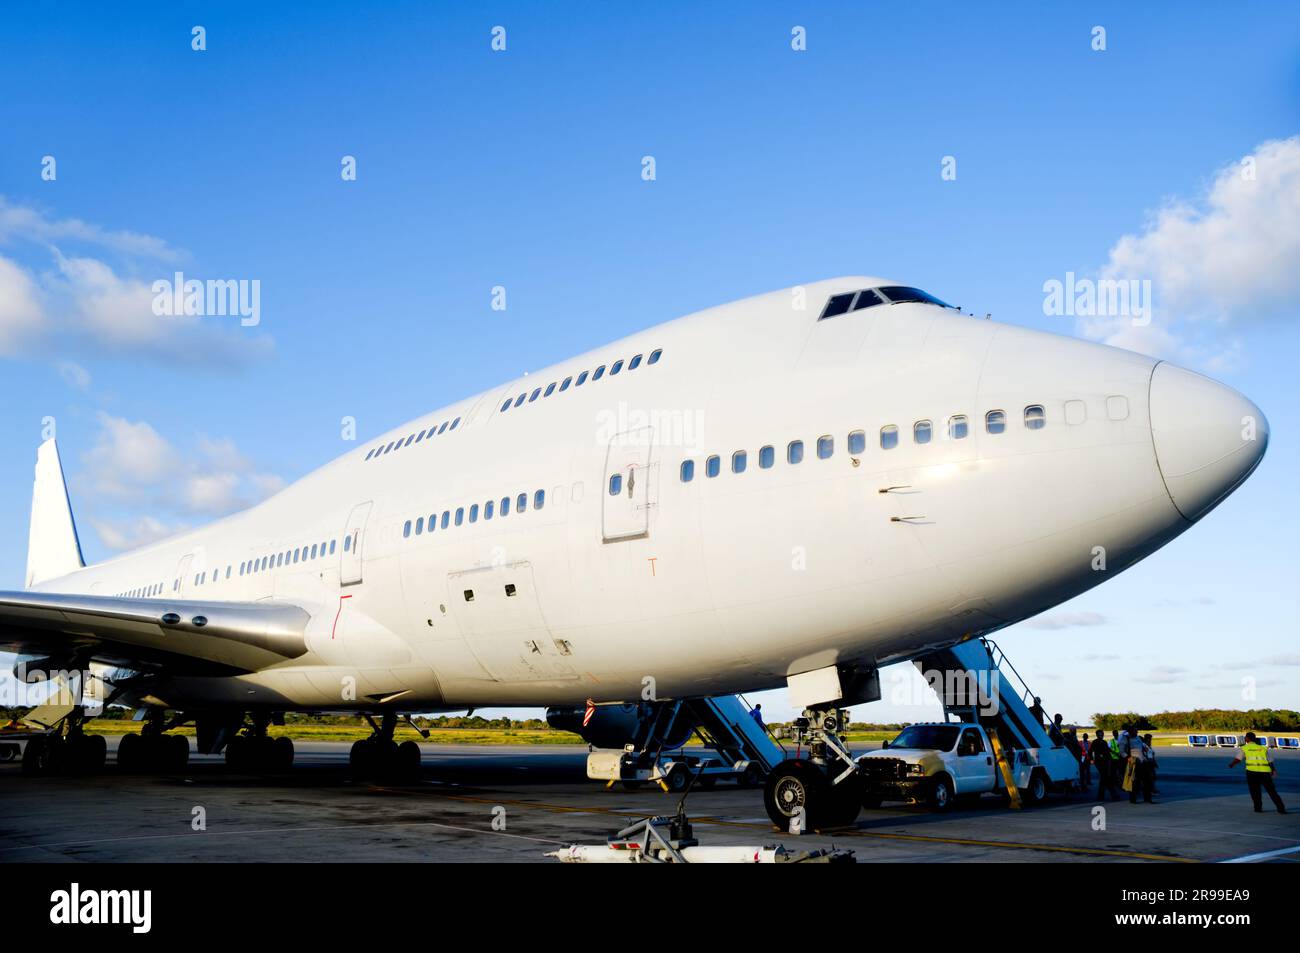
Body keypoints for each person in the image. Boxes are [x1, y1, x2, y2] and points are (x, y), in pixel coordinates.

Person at [1228, 732, 1287, 814]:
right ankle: (1281, 809)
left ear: (1247, 738)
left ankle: (1258, 808)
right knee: (1272, 791)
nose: (1245, 738)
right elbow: (1269, 761)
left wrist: (1232, 764)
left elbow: (1238, 759)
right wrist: (1273, 770)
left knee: (1255, 791)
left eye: (1246, 737)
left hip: (1252, 772)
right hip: (1265, 772)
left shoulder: (1244, 748)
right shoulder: (1262, 748)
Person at [1121, 727, 1153, 804]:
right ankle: (1133, 799)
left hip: (1142, 760)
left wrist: (1145, 750)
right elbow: (1122, 751)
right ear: (1130, 732)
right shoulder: (1125, 739)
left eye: (1137, 731)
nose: (1137, 733)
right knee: (1133, 781)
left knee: (1147, 780)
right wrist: (1127, 757)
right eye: (1135, 731)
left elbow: (1143, 746)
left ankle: (1147, 798)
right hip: (1133, 761)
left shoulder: (1138, 738)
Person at [1092, 728, 1120, 801]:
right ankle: (1114, 795)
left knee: (1104, 779)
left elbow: (1108, 750)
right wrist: (1092, 759)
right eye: (1100, 734)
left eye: (1102, 734)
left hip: (1106, 762)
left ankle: (1101, 796)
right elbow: (1090, 751)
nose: (1101, 735)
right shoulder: (1095, 742)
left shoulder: (1104, 742)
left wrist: (1112, 757)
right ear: (1097, 735)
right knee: (1106, 778)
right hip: (1099, 762)